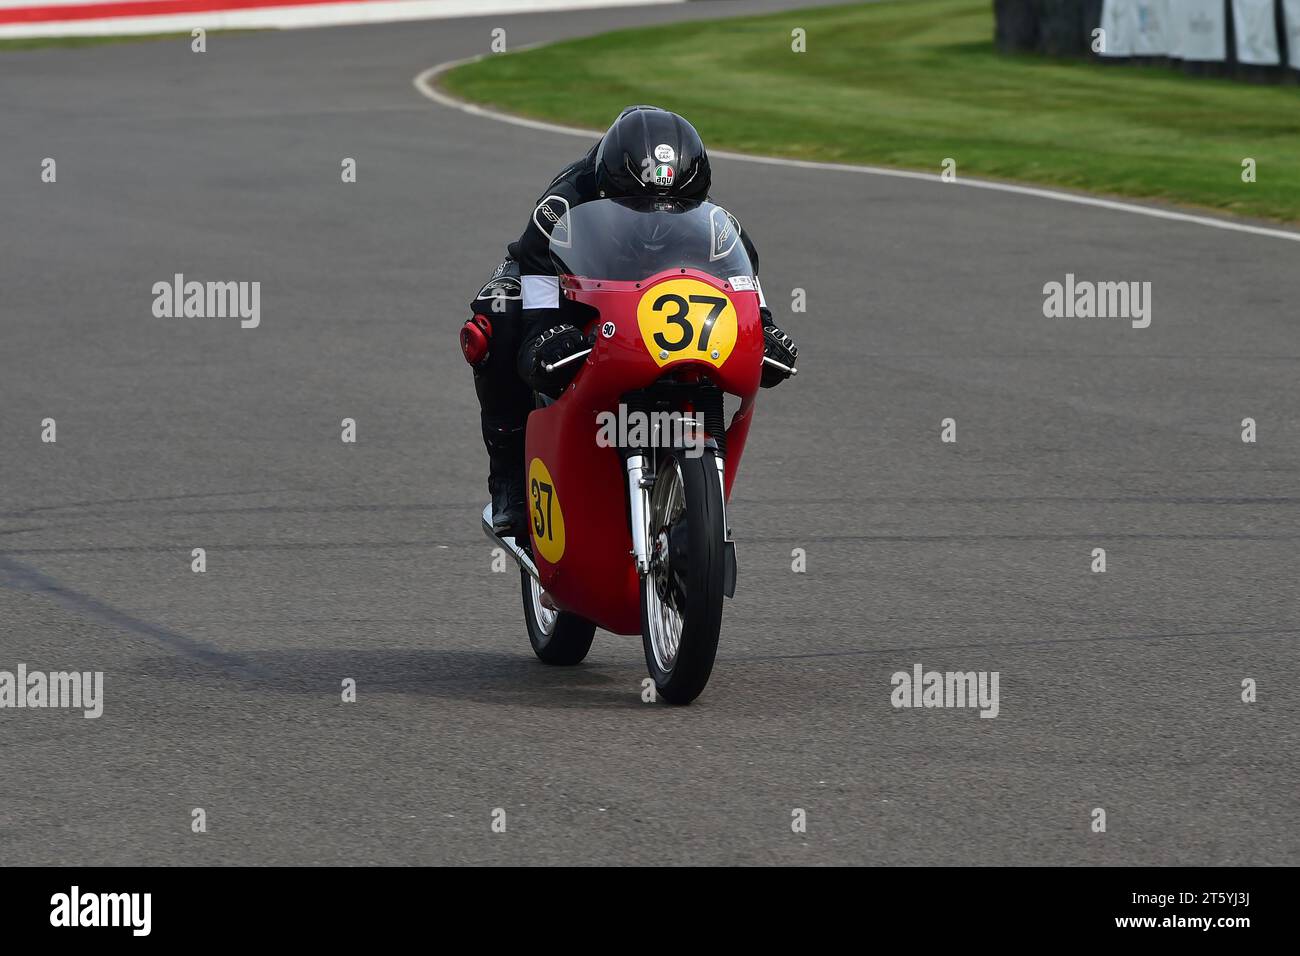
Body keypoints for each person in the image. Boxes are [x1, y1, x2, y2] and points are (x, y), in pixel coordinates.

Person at [461, 106, 799, 538]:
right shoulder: (564, 201)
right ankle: (508, 479)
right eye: (639, 206)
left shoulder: (712, 215)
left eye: (676, 206)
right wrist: (543, 329)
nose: (659, 216)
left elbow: (740, 273)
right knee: (497, 316)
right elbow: (536, 264)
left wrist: (763, 328)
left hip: (648, 293)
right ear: (609, 187)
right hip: (565, 286)